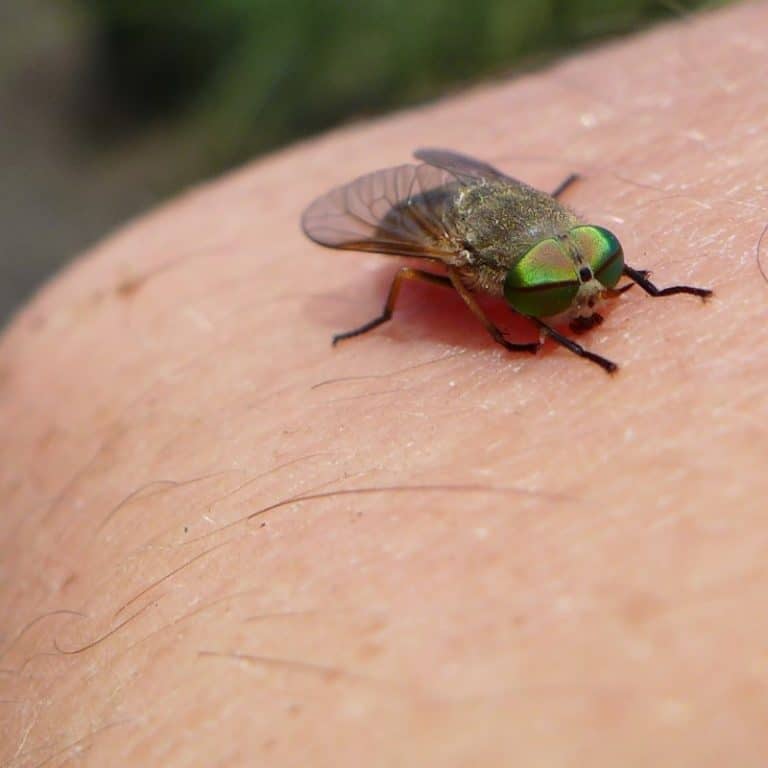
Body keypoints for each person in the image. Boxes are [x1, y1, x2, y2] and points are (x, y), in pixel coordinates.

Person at [2, 2, 767, 764]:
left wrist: (643, 284)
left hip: (502, 209)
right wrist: (502, 329)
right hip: (427, 218)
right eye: (563, 282)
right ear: (508, 281)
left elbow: (561, 237)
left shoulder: (567, 242)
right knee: (425, 273)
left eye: (597, 264)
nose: (592, 285)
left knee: (548, 260)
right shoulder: (464, 263)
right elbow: (450, 276)